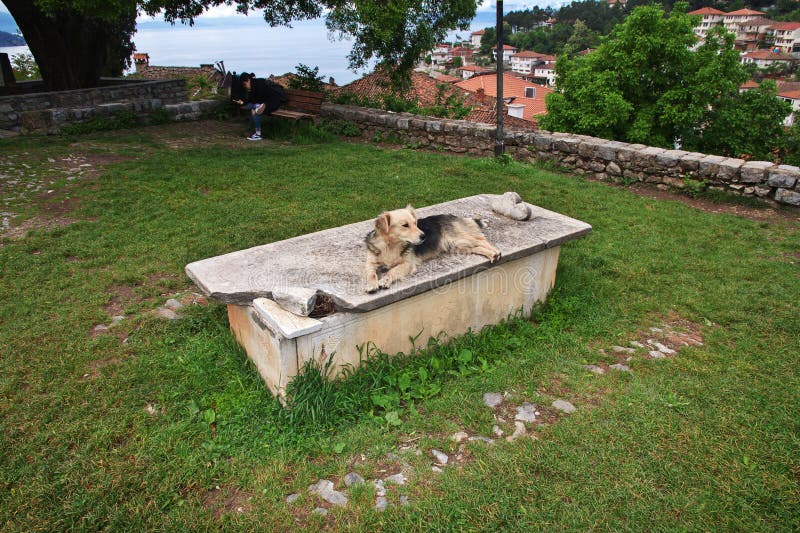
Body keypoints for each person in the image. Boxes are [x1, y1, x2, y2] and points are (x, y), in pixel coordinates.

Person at [231, 72, 287, 141]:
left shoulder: (260, 83)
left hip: (274, 100)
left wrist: (262, 104)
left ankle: (258, 134)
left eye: (244, 84)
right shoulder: (253, 86)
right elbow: (250, 100)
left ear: (248, 80)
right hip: (263, 103)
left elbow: (270, 97)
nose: (244, 86)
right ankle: (257, 133)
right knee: (252, 107)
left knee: (255, 109)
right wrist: (242, 102)